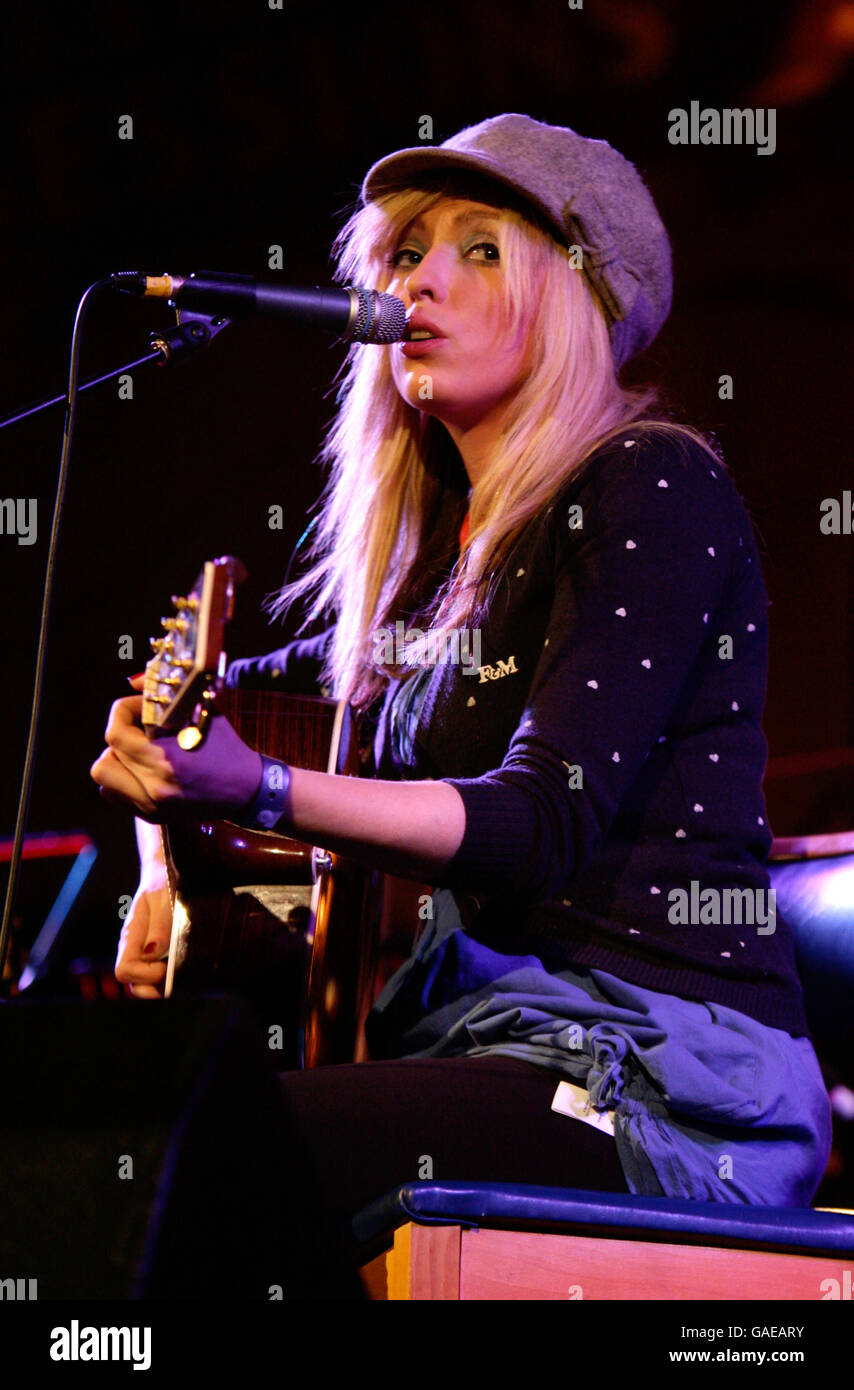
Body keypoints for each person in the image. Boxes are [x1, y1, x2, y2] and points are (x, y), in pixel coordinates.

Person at [91, 115, 831, 1284]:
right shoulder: (429, 582)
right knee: (115, 1137)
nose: (418, 278)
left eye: (480, 249)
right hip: (484, 1051)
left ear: (573, 297)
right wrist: (156, 856)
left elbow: (536, 824)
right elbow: (192, 706)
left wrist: (264, 789)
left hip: (648, 1081)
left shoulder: (648, 482)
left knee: (194, 1157)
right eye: (403, 250)